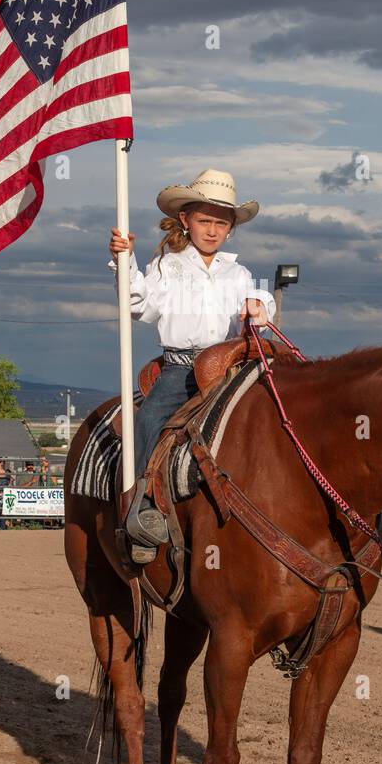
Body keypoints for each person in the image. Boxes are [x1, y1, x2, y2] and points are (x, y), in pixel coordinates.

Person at [108, 168, 275, 553]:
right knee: (149, 420)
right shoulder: (167, 265)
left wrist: (260, 305)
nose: (212, 230)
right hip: (180, 369)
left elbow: (260, 300)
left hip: (231, 366)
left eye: (221, 223)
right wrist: (125, 260)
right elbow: (139, 305)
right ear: (186, 220)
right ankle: (141, 507)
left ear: (231, 228)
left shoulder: (239, 272)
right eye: (204, 221)